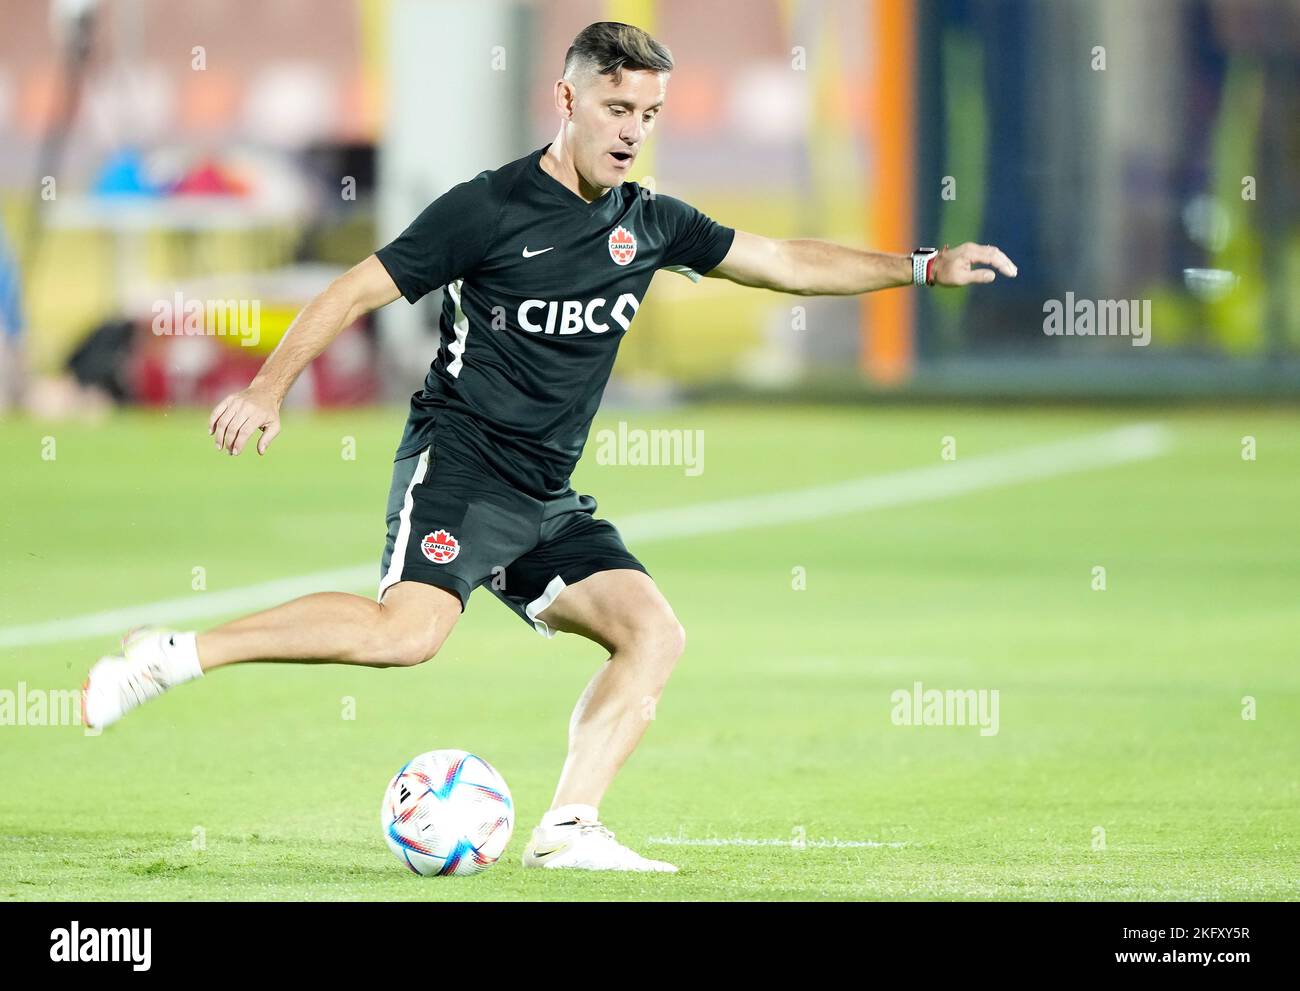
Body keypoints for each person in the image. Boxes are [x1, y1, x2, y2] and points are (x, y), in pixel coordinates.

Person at [82, 21, 1016, 872]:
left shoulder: (651, 222)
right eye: (616, 108)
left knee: (651, 631)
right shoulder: (486, 210)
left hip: (544, 492)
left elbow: (780, 262)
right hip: (461, 463)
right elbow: (356, 290)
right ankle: (169, 654)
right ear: (567, 101)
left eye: (648, 114)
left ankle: (568, 829)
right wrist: (268, 385)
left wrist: (921, 266)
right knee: (407, 636)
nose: (630, 130)